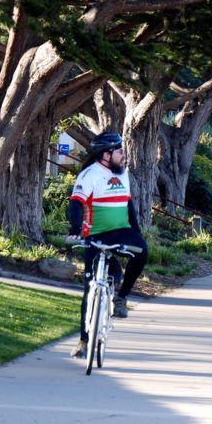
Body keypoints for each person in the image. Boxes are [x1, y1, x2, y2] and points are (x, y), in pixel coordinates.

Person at [67, 131, 149, 358]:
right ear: (106, 154)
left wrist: (136, 231)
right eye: (120, 151)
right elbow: (76, 203)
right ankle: (84, 341)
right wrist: (75, 229)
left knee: (142, 251)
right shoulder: (89, 175)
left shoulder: (122, 173)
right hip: (96, 234)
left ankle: (121, 297)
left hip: (122, 231)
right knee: (89, 290)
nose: (124, 155)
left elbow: (128, 204)